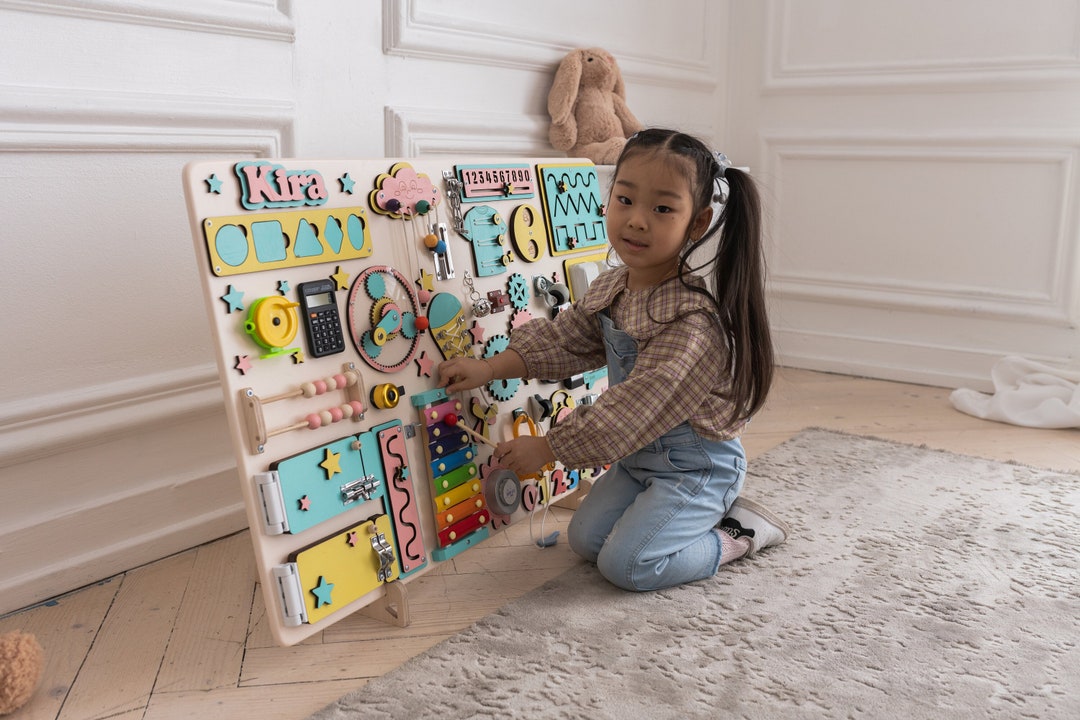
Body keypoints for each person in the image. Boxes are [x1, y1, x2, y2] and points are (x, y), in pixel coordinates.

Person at [439, 128, 789, 591]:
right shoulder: (614, 288)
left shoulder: (691, 324)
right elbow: (564, 340)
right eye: (625, 200)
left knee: (629, 566)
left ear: (698, 223)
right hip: (637, 459)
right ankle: (673, 516)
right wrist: (489, 368)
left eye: (662, 209)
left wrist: (547, 450)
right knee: (585, 541)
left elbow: (631, 411)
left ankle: (738, 533)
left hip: (696, 469)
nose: (637, 220)